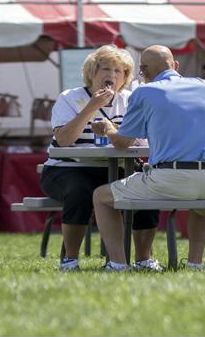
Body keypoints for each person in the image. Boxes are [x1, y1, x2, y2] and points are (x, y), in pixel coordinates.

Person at [90, 46, 205, 271]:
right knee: (201, 203)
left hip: (173, 179)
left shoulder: (144, 92)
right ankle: (195, 263)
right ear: (175, 66)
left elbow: (122, 143)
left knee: (101, 196)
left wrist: (108, 128)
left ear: (144, 72)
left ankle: (118, 264)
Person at [40, 45, 161, 271]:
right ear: (92, 73)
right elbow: (64, 140)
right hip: (69, 168)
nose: (112, 76)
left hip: (118, 166)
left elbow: (143, 142)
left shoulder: (131, 99)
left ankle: (144, 260)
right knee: (79, 191)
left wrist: (113, 130)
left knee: (146, 188)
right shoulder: (70, 98)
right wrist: (91, 107)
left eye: (119, 71)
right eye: (106, 69)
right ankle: (70, 260)